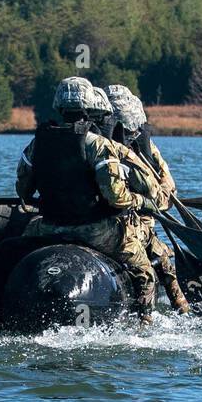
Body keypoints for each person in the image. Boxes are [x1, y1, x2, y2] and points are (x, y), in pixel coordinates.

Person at [15, 78, 188, 319]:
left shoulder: (38, 143)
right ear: (90, 110)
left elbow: (23, 190)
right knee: (145, 271)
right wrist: (142, 202)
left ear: (60, 107)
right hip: (95, 230)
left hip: (49, 227)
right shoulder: (99, 145)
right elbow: (116, 197)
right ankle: (146, 323)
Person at [106, 88, 191, 313]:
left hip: (133, 224)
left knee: (162, 260)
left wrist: (151, 201)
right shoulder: (108, 149)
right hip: (123, 225)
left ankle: (176, 305)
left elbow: (166, 190)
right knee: (160, 261)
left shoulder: (141, 149)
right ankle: (157, 315)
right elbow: (160, 197)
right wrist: (146, 201)